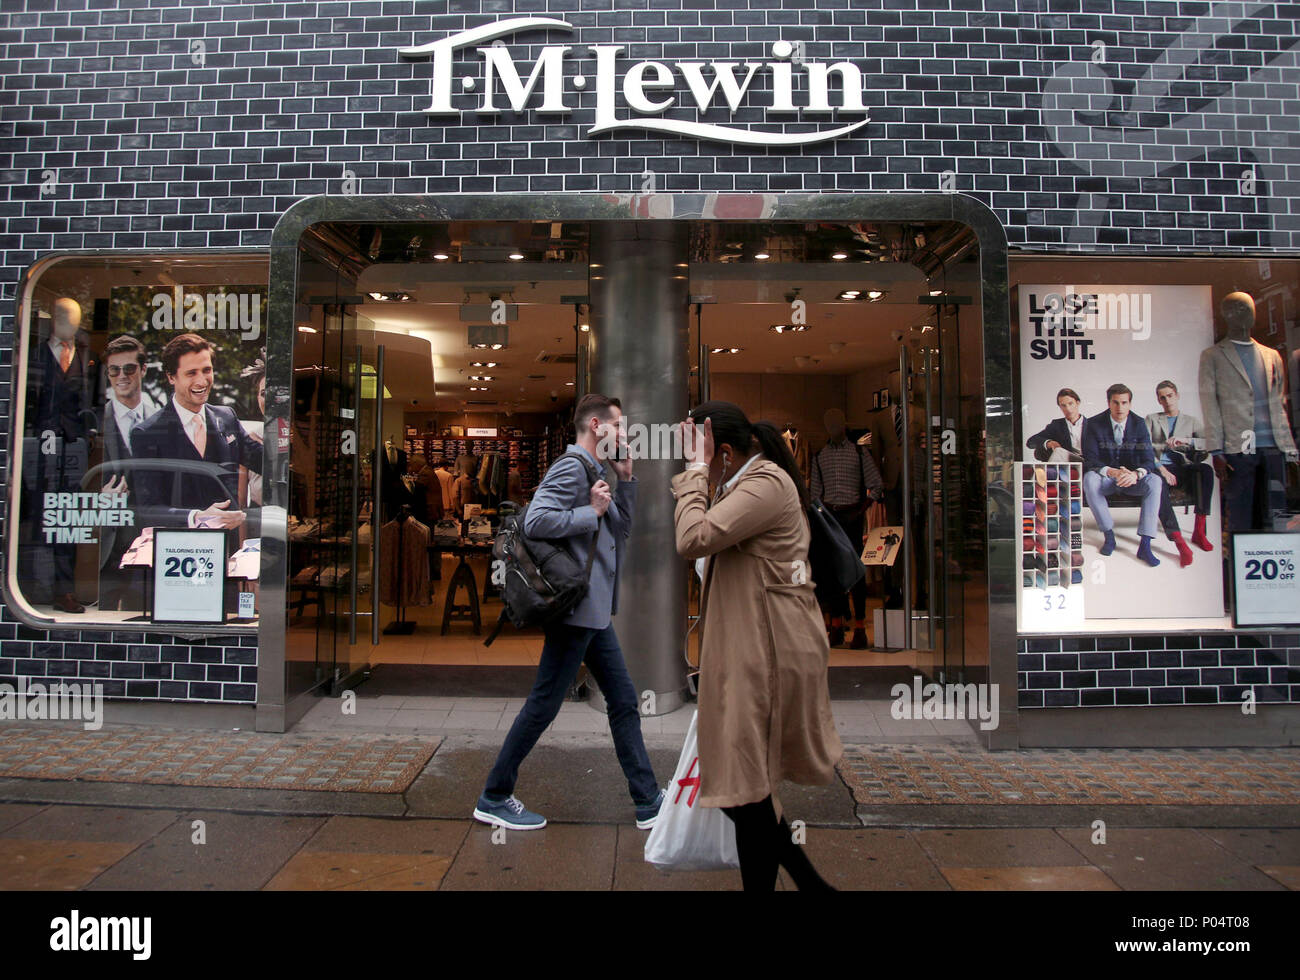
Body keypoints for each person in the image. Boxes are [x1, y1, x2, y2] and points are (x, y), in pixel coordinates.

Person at [671, 401, 843, 892]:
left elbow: (692, 537)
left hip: (770, 651)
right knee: (743, 790)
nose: (695, 462)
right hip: (749, 647)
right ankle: (812, 885)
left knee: (744, 790)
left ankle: (807, 885)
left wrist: (693, 475)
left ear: (723, 452)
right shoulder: (742, 484)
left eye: (702, 451)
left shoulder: (766, 484)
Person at [473, 393, 662, 832]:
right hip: (575, 612)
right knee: (544, 705)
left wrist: (626, 479)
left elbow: (622, 529)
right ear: (596, 425)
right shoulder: (570, 466)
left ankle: (648, 800)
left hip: (592, 613)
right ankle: (494, 795)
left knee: (622, 702)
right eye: (618, 425)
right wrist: (588, 512)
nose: (624, 433)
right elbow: (536, 520)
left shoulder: (598, 471)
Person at [130, 332, 264, 531]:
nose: (202, 381)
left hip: (228, 548)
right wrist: (197, 517)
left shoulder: (227, 418)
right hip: (178, 551)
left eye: (206, 370)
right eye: (191, 373)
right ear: (171, 377)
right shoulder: (147, 432)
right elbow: (147, 510)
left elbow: (265, 463)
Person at [809, 407, 884, 648]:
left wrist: (864, 508)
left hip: (852, 515)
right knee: (831, 572)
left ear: (844, 424)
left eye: (837, 423)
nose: (834, 428)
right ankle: (837, 623)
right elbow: (815, 494)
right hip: (830, 517)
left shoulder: (859, 453)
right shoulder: (820, 456)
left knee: (856, 571)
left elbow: (876, 483)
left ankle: (860, 625)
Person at [98, 334, 159, 610]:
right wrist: (99, 496)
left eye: (129, 368)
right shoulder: (94, 420)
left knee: (142, 613)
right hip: (107, 545)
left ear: (143, 370)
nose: (121, 375)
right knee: (105, 616)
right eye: (114, 369)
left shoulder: (162, 419)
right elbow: (74, 482)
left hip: (148, 543)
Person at [1081, 383, 1164, 567]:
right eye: (1116, 403)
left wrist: (1135, 474)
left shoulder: (1139, 423)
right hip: (1107, 478)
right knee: (1089, 479)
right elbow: (1090, 459)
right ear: (1108, 403)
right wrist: (1112, 471)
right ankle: (1109, 536)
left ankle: (1145, 545)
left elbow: (1149, 460)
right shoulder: (1094, 424)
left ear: (1130, 404)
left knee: (1155, 481)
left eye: (1124, 403)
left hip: (1131, 480)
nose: (1120, 408)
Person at [1146, 379, 1215, 565]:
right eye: (1163, 398)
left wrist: (1187, 441)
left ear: (1177, 396)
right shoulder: (1151, 419)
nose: (1167, 400)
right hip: (1158, 467)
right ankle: (1179, 541)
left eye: (1170, 396)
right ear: (1159, 401)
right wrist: (1160, 468)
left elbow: (1208, 444)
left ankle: (1199, 531)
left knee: (1206, 470)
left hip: (1183, 467)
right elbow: (1143, 448)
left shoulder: (1191, 421)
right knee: (1156, 482)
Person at [1026, 387, 1087, 463]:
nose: (1068, 409)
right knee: (1058, 453)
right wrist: (1049, 443)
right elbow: (1030, 442)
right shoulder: (1056, 425)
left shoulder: (1091, 424)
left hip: (1087, 462)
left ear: (1078, 403)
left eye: (1070, 404)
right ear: (1060, 407)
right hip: (1066, 462)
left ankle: (1048, 472)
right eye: (1063, 405)